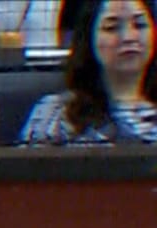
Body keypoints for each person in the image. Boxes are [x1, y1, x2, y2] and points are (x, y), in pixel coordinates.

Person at [20, 0, 157, 144]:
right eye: (111, 28)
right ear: (88, 38)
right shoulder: (55, 113)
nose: (128, 37)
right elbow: (30, 166)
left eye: (140, 25)